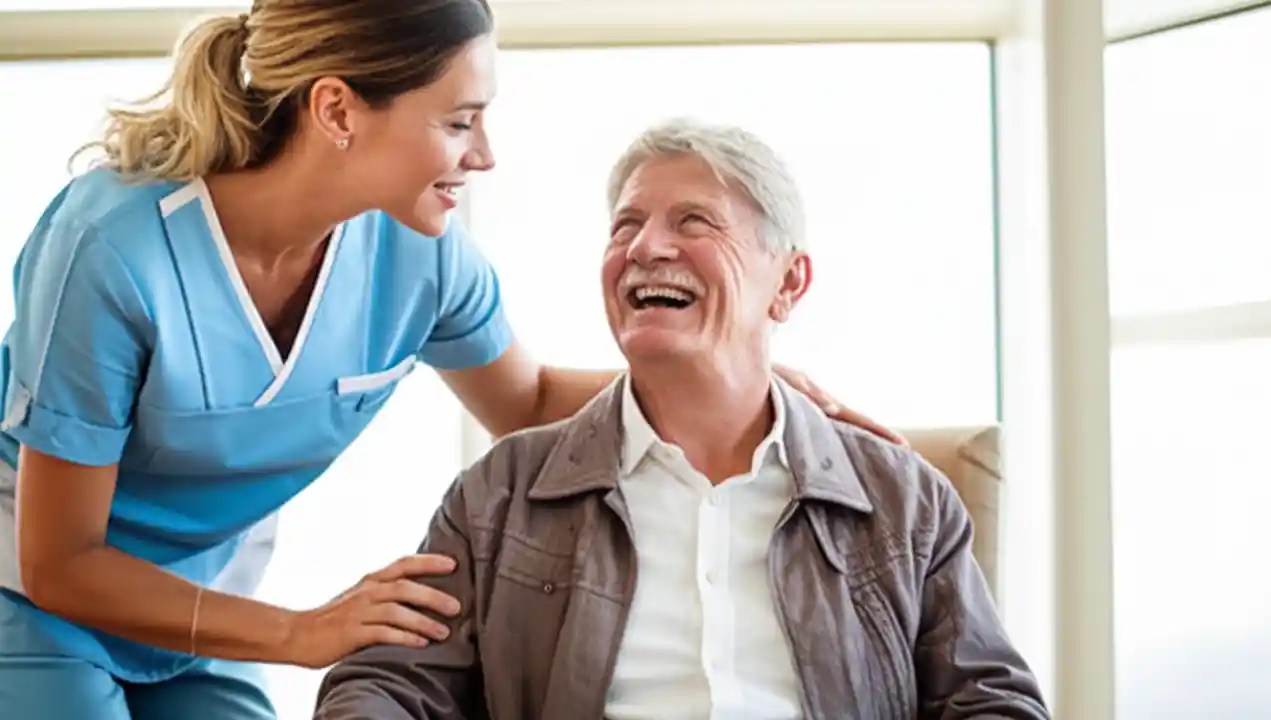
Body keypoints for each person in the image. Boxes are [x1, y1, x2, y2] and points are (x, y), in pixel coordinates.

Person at [0, 3, 898, 719]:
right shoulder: (112, 249)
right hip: (30, 594)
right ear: (338, 109)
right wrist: (303, 631)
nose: (485, 154)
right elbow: (60, 561)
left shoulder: (420, 255)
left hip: (196, 611)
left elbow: (529, 398)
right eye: (459, 121)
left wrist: (749, 388)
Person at [314, 119, 1050, 720]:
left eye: (693, 222)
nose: (644, 247)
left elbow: (992, 702)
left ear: (787, 282)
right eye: (624, 225)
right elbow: (385, 684)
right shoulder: (498, 495)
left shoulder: (904, 501)